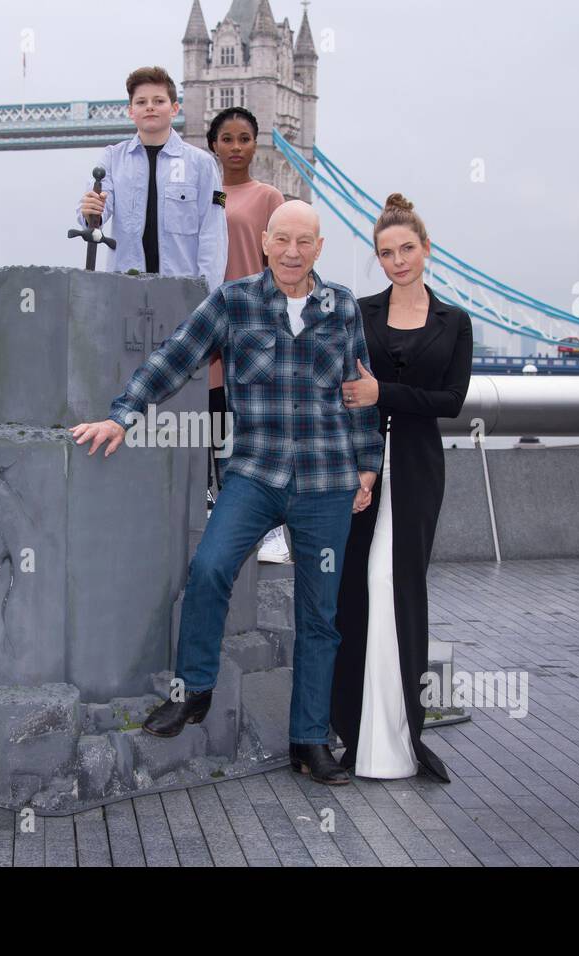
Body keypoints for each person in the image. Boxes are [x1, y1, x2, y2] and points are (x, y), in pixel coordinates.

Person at [70, 201, 382, 785]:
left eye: (303, 242)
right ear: (265, 241)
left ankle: (309, 741)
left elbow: (358, 386)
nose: (292, 252)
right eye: (282, 239)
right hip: (255, 475)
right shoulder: (233, 301)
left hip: (326, 481)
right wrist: (123, 415)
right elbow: (175, 358)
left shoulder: (341, 307)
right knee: (210, 569)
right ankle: (196, 690)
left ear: (319, 247)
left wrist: (368, 467)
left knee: (321, 615)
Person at [331, 193, 472, 784]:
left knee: (399, 586)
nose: (397, 261)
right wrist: (361, 453)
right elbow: (342, 391)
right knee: (355, 591)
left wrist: (382, 393)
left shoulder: (455, 322)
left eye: (406, 249)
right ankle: (351, 731)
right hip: (359, 467)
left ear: (426, 249)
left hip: (415, 468)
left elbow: (451, 402)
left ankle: (403, 734)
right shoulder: (357, 314)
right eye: (386, 253)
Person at [203, 106, 290, 564]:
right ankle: (213, 522)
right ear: (212, 143)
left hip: (254, 326)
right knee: (213, 428)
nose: (236, 147)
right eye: (227, 139)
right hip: (206, 325)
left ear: (256, 144)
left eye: (245, 138)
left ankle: (272, 533)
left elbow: (286, 260)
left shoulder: (270, 196)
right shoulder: (199, 191)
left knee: (257, 433)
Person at [76, 66, 227, 294]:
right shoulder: (112, 158)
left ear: (174, 108)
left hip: (182, 294)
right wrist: (90, 211)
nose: (149, 107)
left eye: (158, 101)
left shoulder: (203, 164)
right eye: (141, 102)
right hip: (124, 292)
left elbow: (213, 234)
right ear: (130, 111)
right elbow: (93, 216)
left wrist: (207, 294)